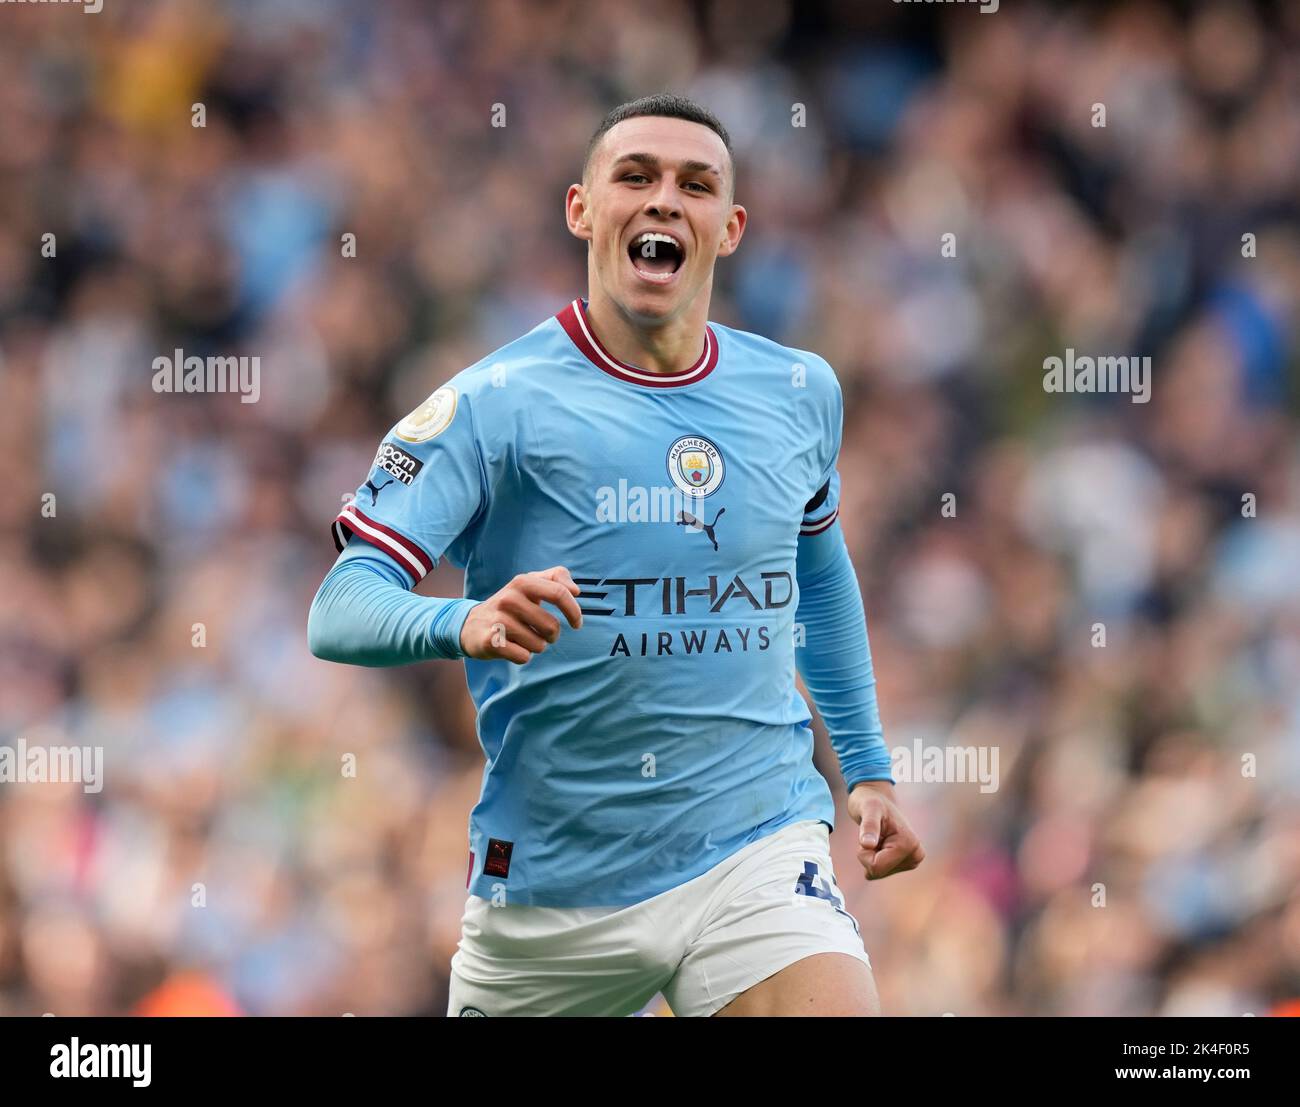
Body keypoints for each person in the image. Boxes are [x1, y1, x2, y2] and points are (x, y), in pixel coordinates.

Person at [308, 93, 924, 1016]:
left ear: (732, 226)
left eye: (696, 184)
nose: (665, 200)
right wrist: (460, 619)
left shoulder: (799, 391)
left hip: (755, 847)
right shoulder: (494, 404)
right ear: (581, 210)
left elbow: (817, 576)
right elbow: (340, 605)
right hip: (554, 890)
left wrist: (868, 768)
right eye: (635, 177)